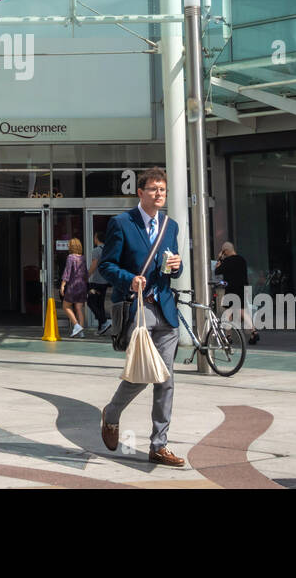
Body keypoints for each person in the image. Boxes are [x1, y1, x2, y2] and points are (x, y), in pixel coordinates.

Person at [99, 167, 186, 468]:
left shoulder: (170, 226)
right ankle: (111, 413)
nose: (159, 194)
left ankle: (158, 446)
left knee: (166, 380)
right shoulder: (121, 223)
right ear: (140, 192)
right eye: (153, 189)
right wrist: (129, 279)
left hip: (165, 309)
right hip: (139, 309)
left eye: (163, 189)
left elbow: (172, 268)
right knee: (141, 374)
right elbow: (106, 266)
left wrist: (176, 266)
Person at [214, 242, 258, 344]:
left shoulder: (227, 261)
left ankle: (228, 336)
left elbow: (217, 271)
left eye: (223, 251)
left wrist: (220, 258)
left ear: (225, 251)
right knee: (243, 311)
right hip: (242, 288)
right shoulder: (242, 260)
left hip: (231, 289)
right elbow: (245, 276)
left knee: (228, 312)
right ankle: (254, 331)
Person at [60, 238, 89, 338]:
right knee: (79, 308)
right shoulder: (82, 258)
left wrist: (63, 285)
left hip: (73, 286)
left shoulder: (70, 257)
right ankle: (81, 332)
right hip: (82, 285)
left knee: (66, 306)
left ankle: (76, 325)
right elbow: (85, 273)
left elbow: (67, 272)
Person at [86, 232, 111, 335]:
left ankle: (104, 321)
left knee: (90, 302)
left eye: (94, 237)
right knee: (100, 304)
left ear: (97, 239)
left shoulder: (96, 250)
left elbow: (94, 265)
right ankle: (101, 328)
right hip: (105, 281)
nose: (94, 239)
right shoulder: (108, 249)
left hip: (97, 281)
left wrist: (86, 276)